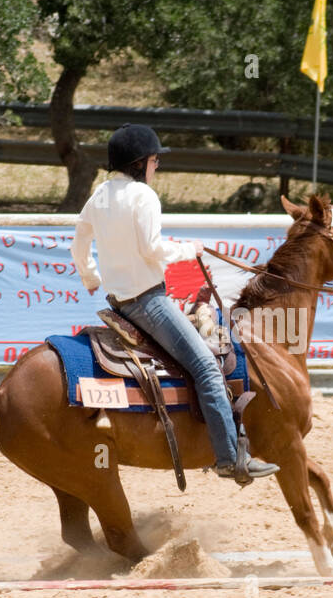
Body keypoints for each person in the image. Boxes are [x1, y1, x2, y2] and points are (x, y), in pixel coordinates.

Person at [72, 123, 279, 483]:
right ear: (140, 163)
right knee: (207, 369)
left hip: (118, 304)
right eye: (154, 160)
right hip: (148, 303)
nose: (156, 167)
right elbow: (152, 248)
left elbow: (79, 238)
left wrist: (90, 276)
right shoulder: (144, 197)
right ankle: (229, 458)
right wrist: (189, 250)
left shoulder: (100, 195)